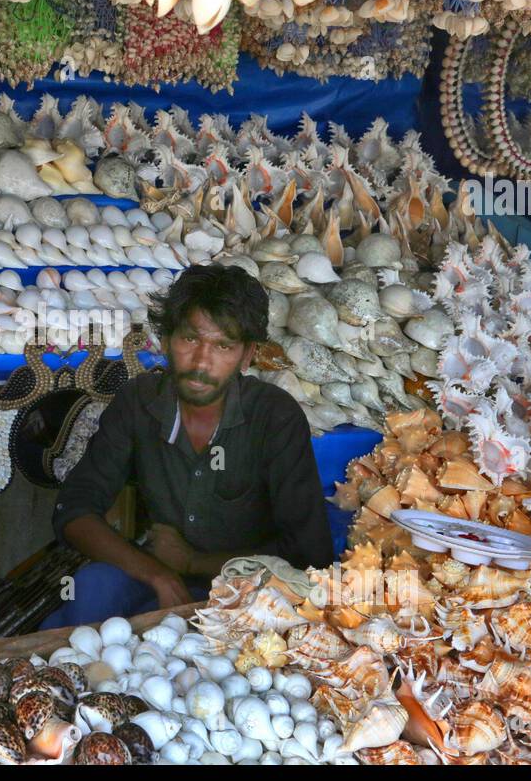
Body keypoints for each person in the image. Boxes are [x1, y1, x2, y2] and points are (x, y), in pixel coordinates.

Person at [42, 264, 333, 628]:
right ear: (165, 340)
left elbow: (310, 554)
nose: (201, 363)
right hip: (158, 580)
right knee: (92, 585)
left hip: (251, 594)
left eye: (223, 346)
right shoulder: (138, 402)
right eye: (190, 339)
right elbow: (74, 510)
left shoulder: (275, 417)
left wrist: (193, 562)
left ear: (247, 356)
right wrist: (159, 574)